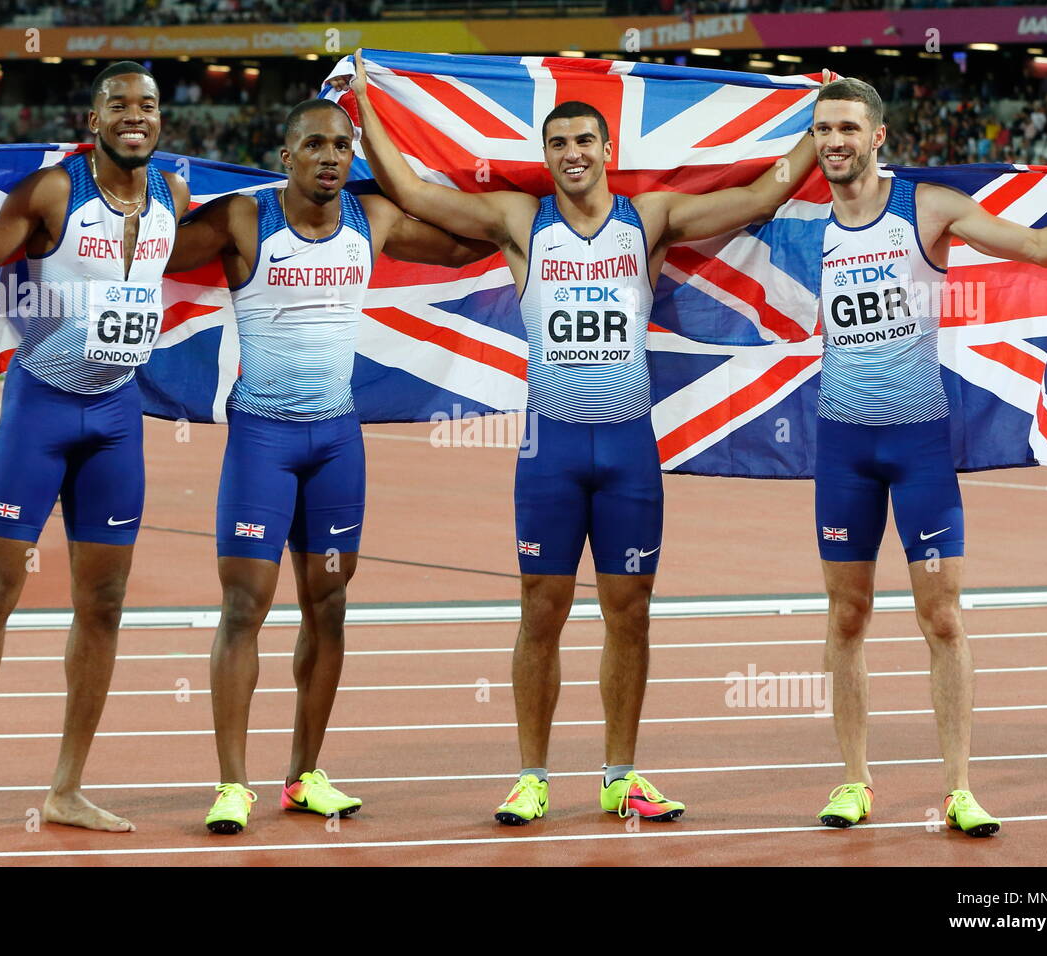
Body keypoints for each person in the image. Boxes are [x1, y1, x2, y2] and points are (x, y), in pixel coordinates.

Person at [336, 51, 818, 824]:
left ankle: (621, 775)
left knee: (630, 612)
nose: (572, 155)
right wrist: (364, 107)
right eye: (558, 144)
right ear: (547, 155)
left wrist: (818, 124)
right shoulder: (519, 221)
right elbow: (412, 191)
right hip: (551, 450)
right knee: (542, 610)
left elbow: (762, 194)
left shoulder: (649, 217)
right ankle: (532, 777)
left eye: (584, 142)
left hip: (628, 449)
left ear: (606, 151)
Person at [165, 98, 492, 834]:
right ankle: (231, 785)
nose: (330, 157)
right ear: (286, 156)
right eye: (314, 145)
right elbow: (147, 252)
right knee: (244, 607)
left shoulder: (371, 220)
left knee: (331, 606)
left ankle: (304, 773)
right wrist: (157, 205)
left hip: (336, 443)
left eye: (342, 145)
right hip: (263, 441)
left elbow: (466, 246)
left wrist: (521, 196)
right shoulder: (245, 221)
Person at [0, 61, 190, 838]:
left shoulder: (174, 198)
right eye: (118, 103)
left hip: (117, 420)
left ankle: (66, 789)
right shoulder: (56, 191)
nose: (135, 114)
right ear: (94, 120)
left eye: (148, 105)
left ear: (162, 121)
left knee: (104, 605)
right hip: (40, 411)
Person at [808, 78, 1047, 837]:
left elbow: (1039, 250)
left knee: (941, 617)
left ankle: (959, 789)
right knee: (847, 614)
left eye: (847, 127)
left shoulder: (927, 207)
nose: (834, 141)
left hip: (918, 446)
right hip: (843, 447)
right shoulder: (801, 224)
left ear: (878, 136)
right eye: (822, 130)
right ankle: (854, 782)